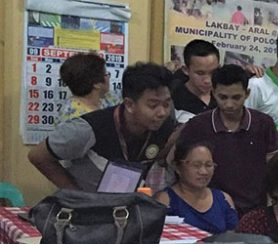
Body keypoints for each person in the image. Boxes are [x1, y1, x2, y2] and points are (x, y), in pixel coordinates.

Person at [29, 62, 174, 192]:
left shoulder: (164, 125)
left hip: (126, 204)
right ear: (129, 104)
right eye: (153, 105)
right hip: (86, 208)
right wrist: (76, 194)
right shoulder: (85, 129)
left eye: (167, 104)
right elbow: (37, 156)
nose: (162, 113)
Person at [176, 64, 278, 215]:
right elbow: (181, 167)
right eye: (223, 97)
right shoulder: (197, 125)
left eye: (236, 97)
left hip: (255, 210)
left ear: (247, 93)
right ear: (213, 93)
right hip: (209, 209)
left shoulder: (263, 123)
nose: (229, 104)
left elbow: (274, 167)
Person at [157, 141, 238, 234]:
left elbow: (233, 238)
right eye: (196, 165)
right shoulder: (165, 200)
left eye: (208, 165)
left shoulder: (224, 199)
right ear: (178, 168)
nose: (204, 172)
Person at [56, 52, 118, 122]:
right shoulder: (77, 120)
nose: (108, 78)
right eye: (106, 74)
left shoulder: (104, 99)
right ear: (96, 83)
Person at [171, 39, 219, 123]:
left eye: (213, 72)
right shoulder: (174, 99)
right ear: (186, 70)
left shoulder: (223, 95)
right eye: (200, 73)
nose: (207, 80)